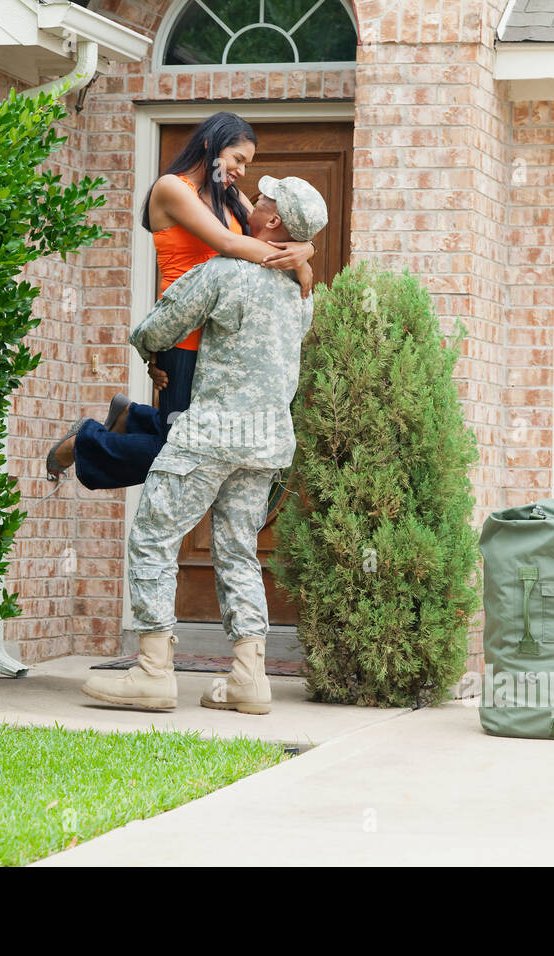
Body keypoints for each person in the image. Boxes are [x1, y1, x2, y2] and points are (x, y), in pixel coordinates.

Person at [81, 176, 329, 716]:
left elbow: (158, 327)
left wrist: (147, 347)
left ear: (272, 221)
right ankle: (249, 678)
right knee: (238, 551)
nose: (252, 200)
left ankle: (152, 672)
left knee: (153, 536)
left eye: (262, 199)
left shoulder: (225, 272)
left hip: (213, 434)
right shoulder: (300, 294)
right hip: (266, 443)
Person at [44, 112, 316, 488]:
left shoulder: (230, 196)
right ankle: (82, 443)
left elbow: (268, 236)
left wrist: (306, 249)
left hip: (220, 340)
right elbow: (229, 244)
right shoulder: (172, 188)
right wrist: (300, 260)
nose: (241, 171)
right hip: (183, 334)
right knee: (180, 450)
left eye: (246, 164)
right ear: (209, 144)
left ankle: (129, 418)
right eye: (237, 159)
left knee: (192, 435)